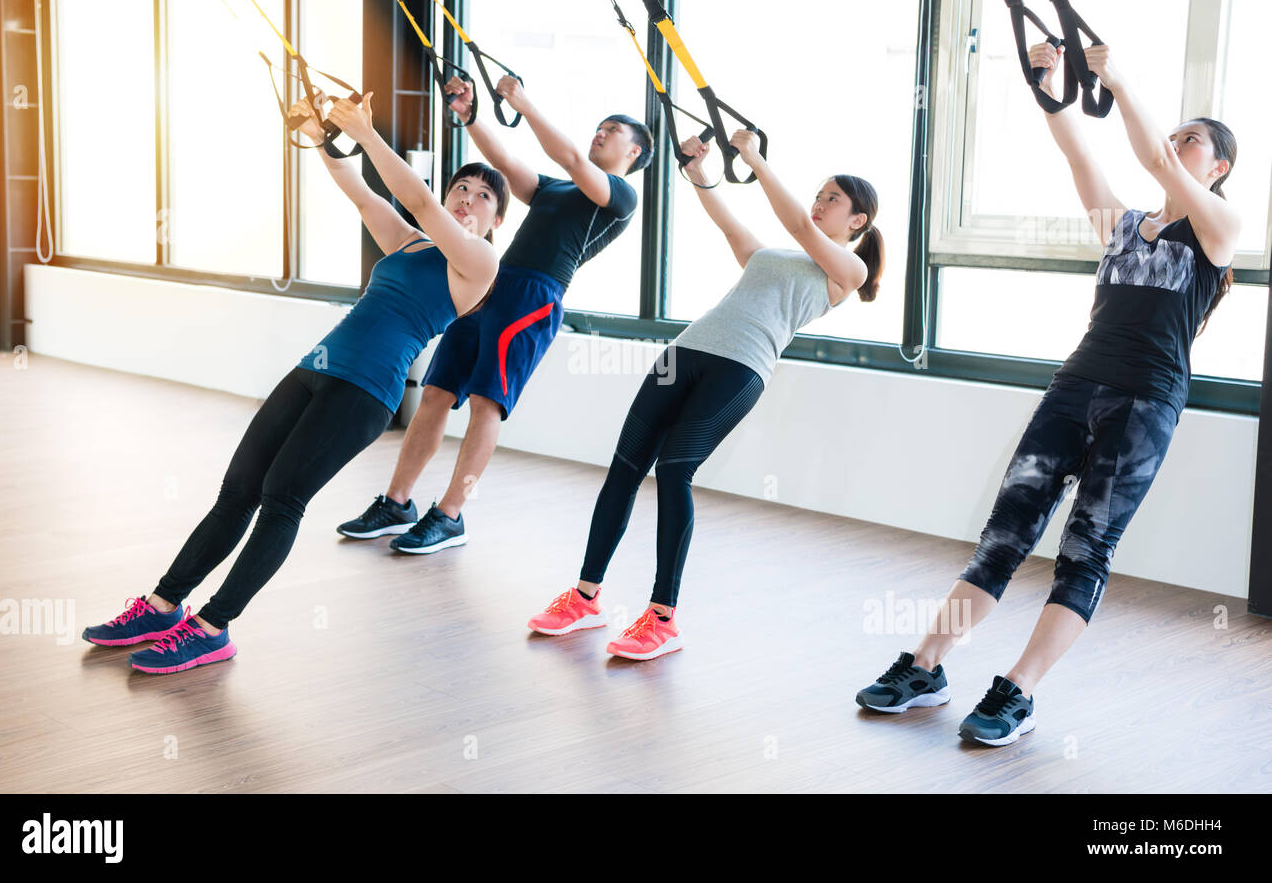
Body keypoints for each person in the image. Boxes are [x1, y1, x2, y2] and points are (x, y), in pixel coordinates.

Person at [856, 41, 1241, 745]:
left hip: (1144, 406)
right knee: (1005, 534)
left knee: (1085, 551)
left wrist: (1119, 79)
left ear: (1217, 169)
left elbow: (1153, 159)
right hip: (1073, 388)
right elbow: (1079, 155)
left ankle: (1018, 690)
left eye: (1194, 140)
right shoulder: (1123, 226)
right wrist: (1049, 86)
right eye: (1177, 132)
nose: (1175, 144)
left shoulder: (1219, 231)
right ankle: (926, 666)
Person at [81, 92, 507, 673]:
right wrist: (321, 135)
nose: (468, 199)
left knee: (283, 499)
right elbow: (357, 187)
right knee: (237, 490)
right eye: (463, 187)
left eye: (484, 197)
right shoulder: (410, 242)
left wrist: (367, 130)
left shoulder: (479, 265)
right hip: (315, 368)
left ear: (495, 222)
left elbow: (418, 199)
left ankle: (212, 627)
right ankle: (161, 605)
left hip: (367, 393)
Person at [527, 130, 884, 659]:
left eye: (833, 198)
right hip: (683, 355)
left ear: (858, 221)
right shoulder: (773, 254)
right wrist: (700, 173)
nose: (820, 202)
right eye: (820, 192)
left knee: (674, 470)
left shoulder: (845, 271)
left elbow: (800, 225)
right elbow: (728, 222)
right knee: (624, 467)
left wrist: (756, 159)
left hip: (741, 369)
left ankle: (663, 618)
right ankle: (584, 598)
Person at [336, 74, 653, 554]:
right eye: (600, 126)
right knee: (437, 393)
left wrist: (523, 103)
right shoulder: (555, 188)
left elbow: (568, 155)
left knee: (487, 404)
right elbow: (505, 165)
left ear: (634, 154)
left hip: (534, 298)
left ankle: (449, 515)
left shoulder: (620, 197)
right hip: (487, 284)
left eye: (614, 130)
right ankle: (397, 503)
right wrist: (471, 115)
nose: (601, 133)